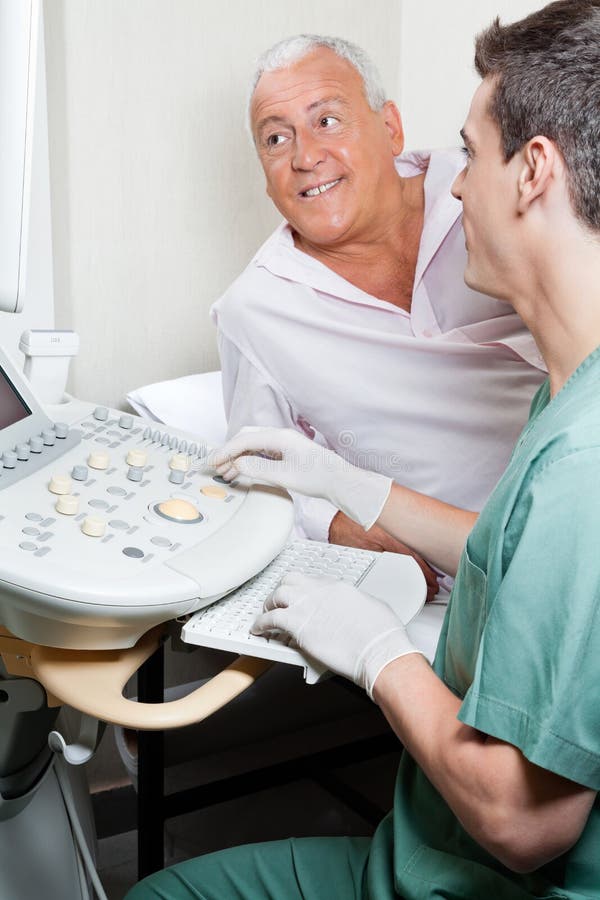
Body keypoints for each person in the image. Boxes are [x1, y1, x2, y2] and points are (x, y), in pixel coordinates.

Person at [126, 1, 600, 897]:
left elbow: (524, 822)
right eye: (275, 138)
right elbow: (520, 544)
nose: (453, 187)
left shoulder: (577, 457)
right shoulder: (568, 400)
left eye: (469, 155)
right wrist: (352, 494)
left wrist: (379, 653)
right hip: (475, 625)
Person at [210, 33, 547, 601]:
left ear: (391, 128)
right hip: (447, 585)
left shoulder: (481, 192)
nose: (304, 157)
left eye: (327, 121)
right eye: (275, 138)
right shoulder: (256, 310)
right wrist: (336, 523)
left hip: (565, 516)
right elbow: (255, 472)